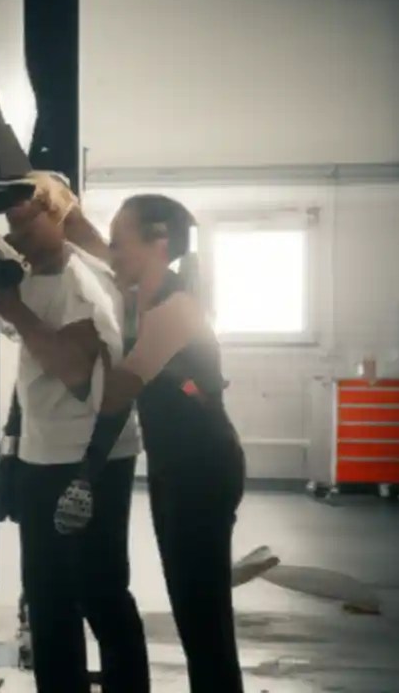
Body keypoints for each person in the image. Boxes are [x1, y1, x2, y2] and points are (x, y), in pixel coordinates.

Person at [0, 172, 150, 693]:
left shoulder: (83, 280)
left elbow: (77, 377)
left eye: (25, 220)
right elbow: (33, 351)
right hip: (42, 454)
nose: (15, 233)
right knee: (48, 598)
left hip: (89, 460)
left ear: (57, 216)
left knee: (98, 593)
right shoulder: (33, 277)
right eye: (9, 223)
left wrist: (14, 312)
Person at [83, 194, 246, 692]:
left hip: (202, 469)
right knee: (193, 607)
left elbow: (118, 393)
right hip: (173, 467)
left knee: (203, 617)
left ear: (158, 243)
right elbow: (89, 251)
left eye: (119, 242)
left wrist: (83, 472)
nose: (111, 253)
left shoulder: (175, 309)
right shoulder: (143, 297)